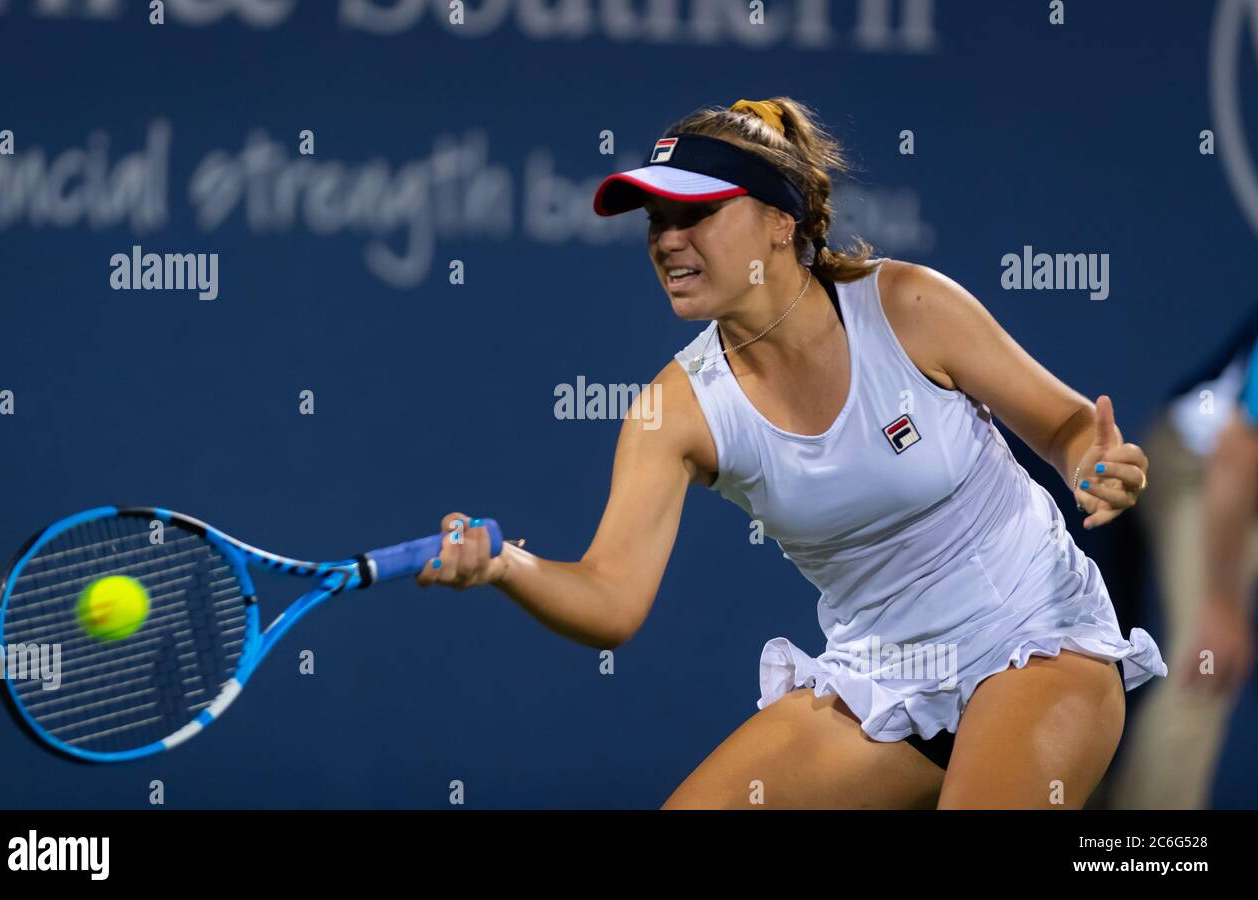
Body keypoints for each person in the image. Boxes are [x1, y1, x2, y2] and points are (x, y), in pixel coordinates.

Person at [415, 97, 1166, 809]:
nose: (668, 240)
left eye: (697, 214)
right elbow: (611, 600)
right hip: (882, 685)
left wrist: (1090, 464)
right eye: (657, 220)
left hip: (1036, 640)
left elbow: (1065, 425)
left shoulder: (908, 305)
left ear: (781, 222)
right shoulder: (672, 410)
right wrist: (504, 566)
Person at [1105, 314, 1258, 809]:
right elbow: (1237, 457)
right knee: (1207, 661)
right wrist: (1221, 607)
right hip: (1203, 467)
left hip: (1235, 469)